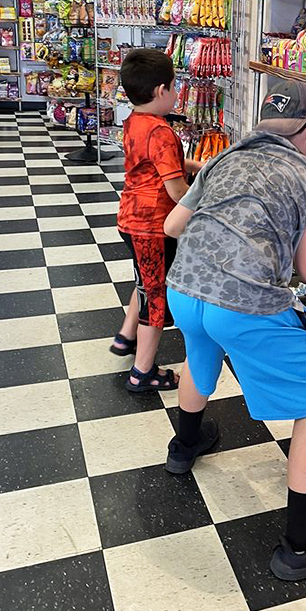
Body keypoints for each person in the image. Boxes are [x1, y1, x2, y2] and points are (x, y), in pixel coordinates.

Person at [163, 79, 306, 581]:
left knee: (199, 359)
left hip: (185, 287)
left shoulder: (224, 159)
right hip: (245, 302)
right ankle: (301, 546)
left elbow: (172, 226)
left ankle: (184, 446)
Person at [112, 48, 201, 392]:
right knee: (156, 296)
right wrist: (204, 200)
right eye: (176, 87)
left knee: (146, 282)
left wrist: (200, 166)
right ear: (161, 91)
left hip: (130, 219)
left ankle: (125, 338)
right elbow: (177, 191)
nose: (178, 94)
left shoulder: (135, 121)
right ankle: (142, 372)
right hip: (152, 226)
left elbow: (157, 164)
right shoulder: (162, 132)